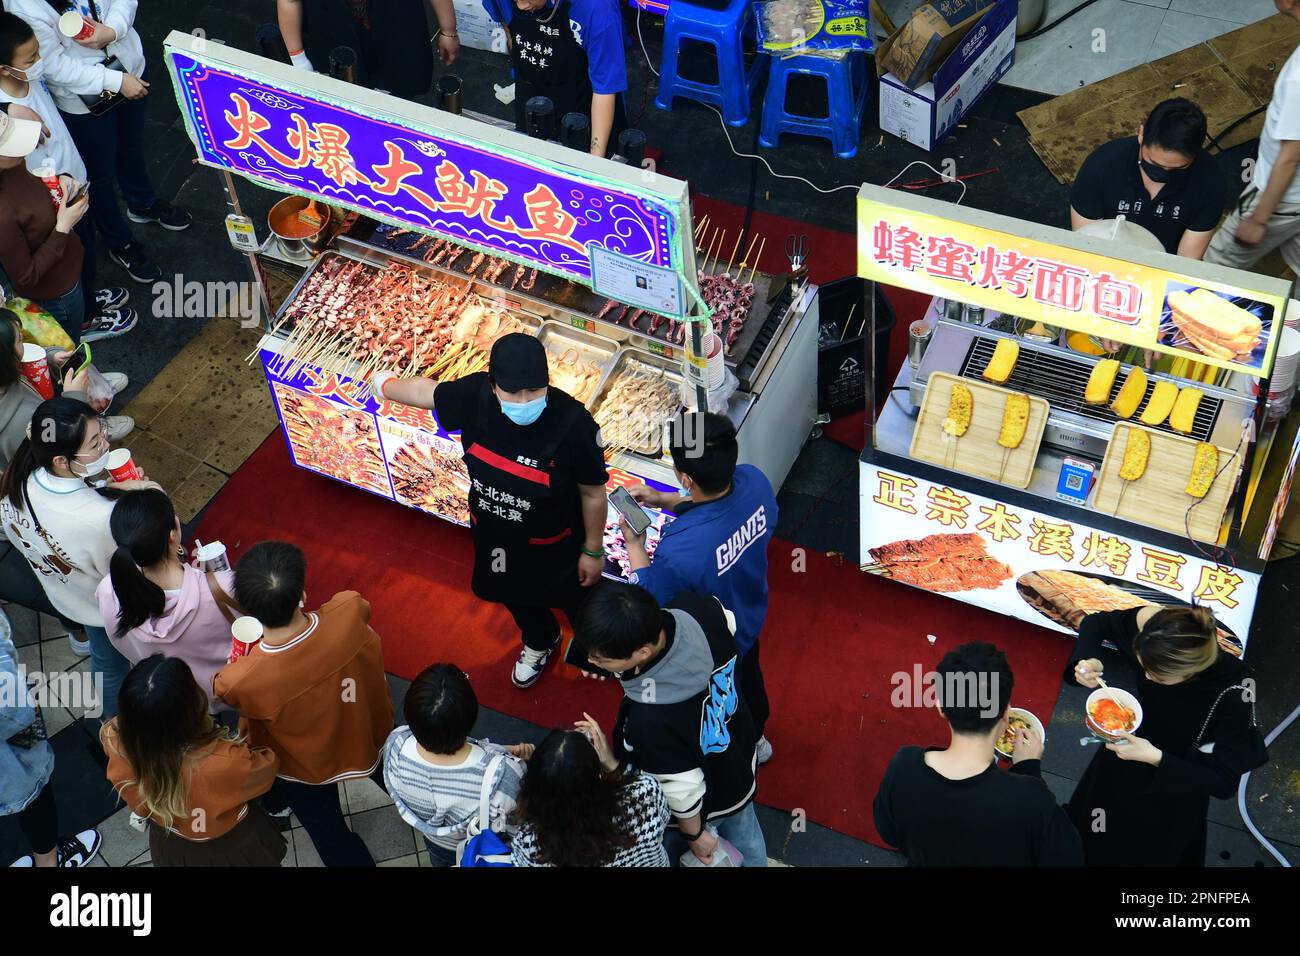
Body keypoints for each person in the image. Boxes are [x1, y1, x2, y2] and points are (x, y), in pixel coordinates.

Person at [375, 333, 608, 690]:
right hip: (495, 533)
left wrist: (592, 549)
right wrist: (386, 385)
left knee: (580, 604)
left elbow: (592, 493)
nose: (524, 401)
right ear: (492, 383)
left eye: (534, 392)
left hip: (556, 542)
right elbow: (427, 393)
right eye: (513, 393)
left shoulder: (576, 424)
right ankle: (541, 639)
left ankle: (599, 651)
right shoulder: (474, 396)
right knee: (511, 592)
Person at [214, 540, 394, 867]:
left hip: (302, 766)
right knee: (398, 782)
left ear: (251, 610)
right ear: (302, 593)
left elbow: (227, 692)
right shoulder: (348, 612)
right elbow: (356, 605)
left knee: (327, 831)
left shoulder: (241, 678)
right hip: (364, 730)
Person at [572, 581, 766, 867]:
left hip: (705, 803)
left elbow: (682, 790)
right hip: (736, 757)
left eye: (601, 658)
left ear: (643, 653)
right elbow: (730, 624)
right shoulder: (696, 608)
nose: (589, 661)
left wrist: (695, 834)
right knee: (747, 839)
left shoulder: (650, 720)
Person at [624, 411, 777, 759]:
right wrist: (664, 500)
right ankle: (759, 739)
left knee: (722, 696)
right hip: (749, 613)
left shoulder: (680, 551)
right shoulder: (756, 482)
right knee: (751, 680)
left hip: (709, 642)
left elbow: (649, 602)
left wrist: (634, 545)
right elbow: (718, 505)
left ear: (685, 478)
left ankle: (738, 749)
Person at [1067, 606, 1268, 866]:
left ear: (1189, 674)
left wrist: (1155, 757)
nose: (1146, 676)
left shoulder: (1234, 689)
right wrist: (1089, 660)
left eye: (1157, 675)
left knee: (1145, 849)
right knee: (1092, 831)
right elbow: (1096, 621)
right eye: (1143, 666)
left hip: (1180, 775)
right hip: (1126, 747)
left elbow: (1223, 782)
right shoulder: (1158, 629)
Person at [8, 0, 193, 285]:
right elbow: (51, 64)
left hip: (129, 66)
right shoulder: (25, 6)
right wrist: (116, 82)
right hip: (83, 98)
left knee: (131, 146)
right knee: (99, 174)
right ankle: (120, 242)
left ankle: (142, 203)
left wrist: (113, 31)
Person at [0, 396, 157, 720]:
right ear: (61, 459)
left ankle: (110, 724)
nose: (105, 444)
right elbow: (127, 572)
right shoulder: (99, 519)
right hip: (108, 605)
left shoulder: (15, 488)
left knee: (104, 660)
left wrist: (106, 489)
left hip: (69, 595)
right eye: (95, 441)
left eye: (101, 433)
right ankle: (118, 725)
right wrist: (148, 499)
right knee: (122, 662)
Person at [873, 642, 1082, 866]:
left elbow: (888, 833)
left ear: (941, 707)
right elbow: (1069, 858)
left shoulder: (903, 766)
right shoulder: (1032, 799)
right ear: (1005, 714)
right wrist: (1028, 769)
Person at [0, 306, 128, 654]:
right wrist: (71, 398)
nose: (22, 346)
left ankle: (83, 633)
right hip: (95, 602)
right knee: (106, 646)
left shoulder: (16, 504)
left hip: (62, 587)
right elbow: (50, 441)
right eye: (17, 344)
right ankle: (82, 634)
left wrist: (50, 364)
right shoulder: (85, 514)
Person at [0, 11, 134, 342]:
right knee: (70, 263)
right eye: (30, 58)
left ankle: (88, 298)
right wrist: (6, 111)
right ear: (4, 68)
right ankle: (86, 319)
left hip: (71, 185)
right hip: (51, 208)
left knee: (82, 253)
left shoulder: (27, 78)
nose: (39, 61)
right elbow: (27, 275)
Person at [101, 654, 287, 866]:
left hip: (172, 845)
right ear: (191, 707)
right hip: (234, 846)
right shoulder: (225, 761)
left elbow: (138, 802)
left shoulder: (113, 739)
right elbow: (267, 769)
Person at [96, 488, 239, 715]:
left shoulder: (108, 589)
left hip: (177, 696)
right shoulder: (222, 587)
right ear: (172, 535)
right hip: (226, 690)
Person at [383, 663, 530, 866]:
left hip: (435, 842)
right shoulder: (505, 776)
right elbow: (517, 828)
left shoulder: (396, 744)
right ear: (472, 714)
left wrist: (497, 752)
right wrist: (500, 757)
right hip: (478, 847)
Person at [1204, 0, 1300, 277]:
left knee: (1218, 265)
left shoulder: (1298, 80)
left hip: (1284, 196)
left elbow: (1290, 157)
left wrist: (1259, 218)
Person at [3, 609, 103, 867]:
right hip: (11, 758)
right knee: (34, 794)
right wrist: (31, 702)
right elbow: (17, 709)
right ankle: (49, 862)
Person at [1070, 98, 1226, 260]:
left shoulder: (1210, 182)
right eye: (1153, 164)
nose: (1163, 174)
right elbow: (1085, 243)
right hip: (1107, 253)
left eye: (1177, 168)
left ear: (1195, 156)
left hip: (1165, 261)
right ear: (1141, 135)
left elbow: (1187, 259)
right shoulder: (1102, 166)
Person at [510, 719, 671, 867]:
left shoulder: (529, 840)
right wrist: (613, 765)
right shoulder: (645, 797)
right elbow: (664, 818)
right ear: (598, 776)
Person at [493, 0, 629, 157]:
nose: (521, 6)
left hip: (584, 106)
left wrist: (595, 161)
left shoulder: (597, 8)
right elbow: (501, 15)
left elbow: (605, 89)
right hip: (530, 95)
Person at [276, 0, 460, 95]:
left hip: (395, 32)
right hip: (333, 36)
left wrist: (448, 30)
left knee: (400, 91)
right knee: (341, 98)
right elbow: (289, 2)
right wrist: (299, 61)